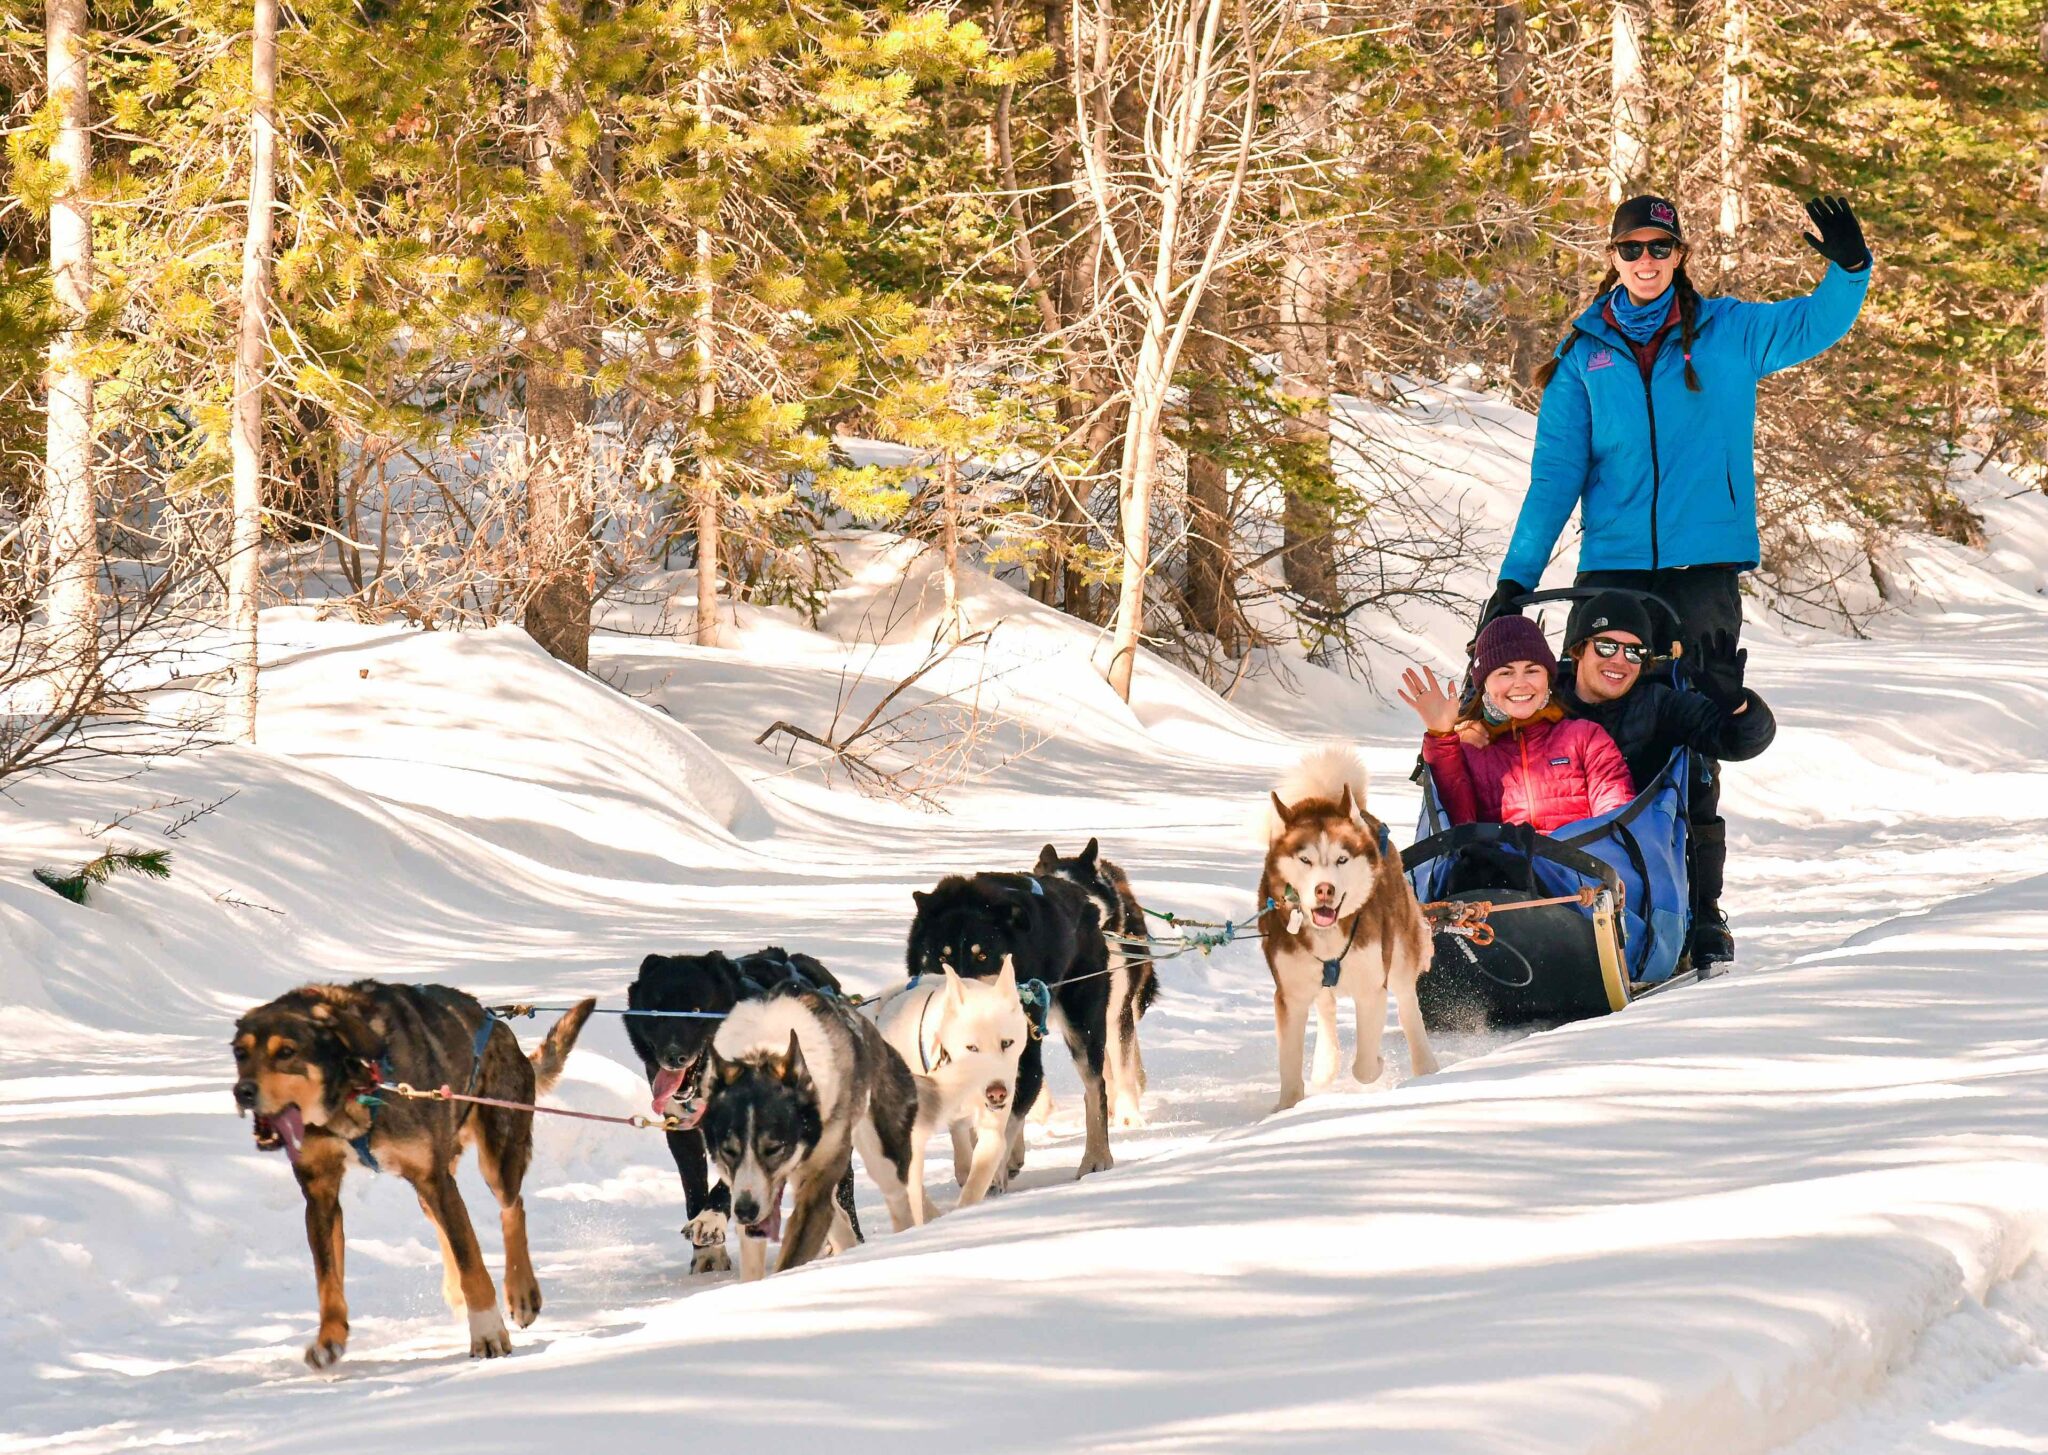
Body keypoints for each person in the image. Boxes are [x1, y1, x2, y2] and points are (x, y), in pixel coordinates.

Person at [1479, 192, 1871, 962]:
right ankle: (1568, 894)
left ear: (1681, 254)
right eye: (1633, 249)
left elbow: (1812, 322)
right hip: (1613, 572)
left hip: (1700, 573)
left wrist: (1850, 269)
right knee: (1582, 725)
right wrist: (1516, 580)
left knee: (1696, 735)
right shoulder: (1584, 356)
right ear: (1612, 258)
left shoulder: (1728, 332)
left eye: (1661, 248)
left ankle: (1700, 912)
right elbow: (1555, 475)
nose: (1647, 262)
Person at [1553, 592, 1776, 964]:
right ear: (1578, 649)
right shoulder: (1541, 699)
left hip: (1631, 859)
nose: (1620, 661)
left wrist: (1736, 703)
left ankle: (1702, 910)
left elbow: (1743, 740)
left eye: (1635, 652)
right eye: (1607, 646)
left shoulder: (1658, 704)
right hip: (1544, 846)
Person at [1399, 615, 1634, 836]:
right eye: (1505, 673)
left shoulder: (1585, 738)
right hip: (1497, 875)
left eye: (1532, 670)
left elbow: (1615, 821)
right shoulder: (1469, 748)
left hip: (1578, 875)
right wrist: (1441, 736)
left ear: (1547, 679)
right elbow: (1458, 830)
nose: (1520, 684)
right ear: (1485, 685)